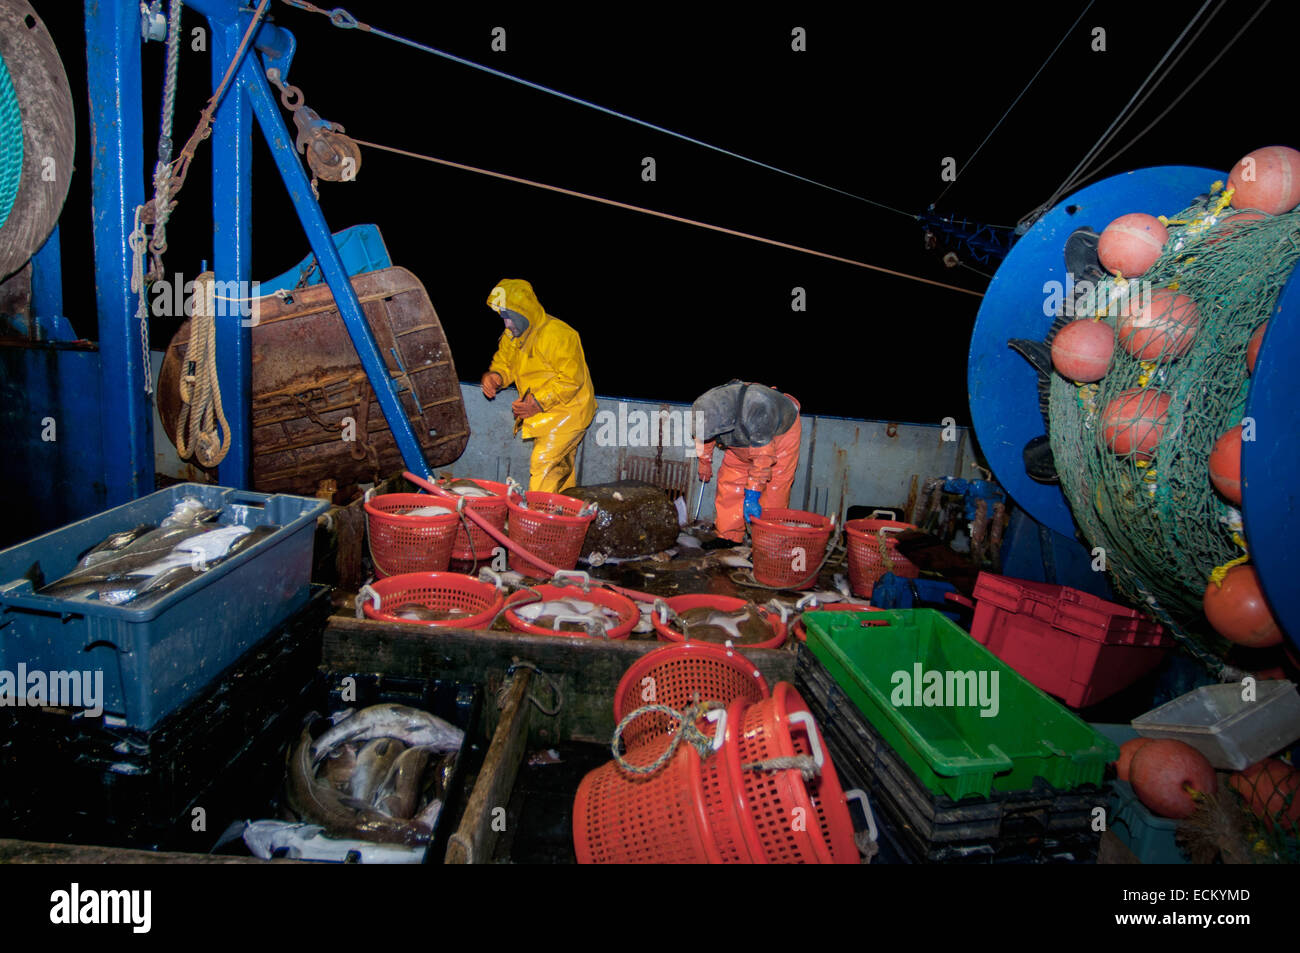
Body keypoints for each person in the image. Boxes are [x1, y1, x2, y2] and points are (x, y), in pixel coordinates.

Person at [479, 279, 596, 493]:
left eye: (510, 318)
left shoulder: (558, 334)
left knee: (543, 463)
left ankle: (537, 520)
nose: (506, 324)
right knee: (560, 470)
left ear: (525, 313)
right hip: (545, 414)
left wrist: (539, 403)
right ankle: (561, 517)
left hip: (569, 412)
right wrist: (496, 376)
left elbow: (572, 380)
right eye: (503, 317)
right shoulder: (512, 336)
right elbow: (505, 364)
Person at [693, 380, 802, 544]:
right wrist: (704, 461)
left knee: (774, 490)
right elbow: (704, 436)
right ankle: (728, 537)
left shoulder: (758, 408)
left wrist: (752, 494)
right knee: (730, 481)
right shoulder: (706, 406)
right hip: (741, 441)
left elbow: (763, 459)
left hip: (779, 439)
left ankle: (768, 543)